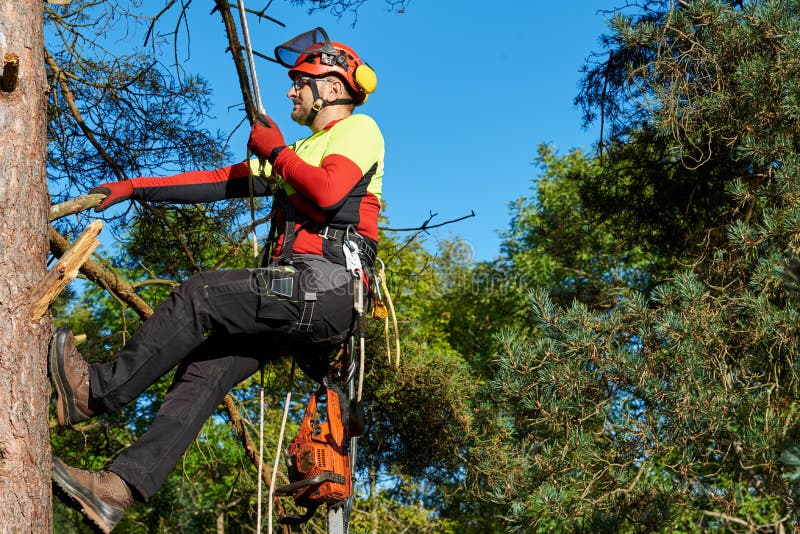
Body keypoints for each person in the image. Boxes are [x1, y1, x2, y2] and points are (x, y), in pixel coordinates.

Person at [50, 27, 383, 533]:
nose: (292, 90)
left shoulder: (358, 131)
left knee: (200, 294)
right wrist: (137, 187)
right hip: (303, 295)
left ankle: (92, 392)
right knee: (204, 373)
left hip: (327, 288)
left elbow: (330, 193)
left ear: (333, 90)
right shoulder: (302, 149)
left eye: (302, 81)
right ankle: (117, 490)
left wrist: (276, 152)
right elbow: (219, 181)